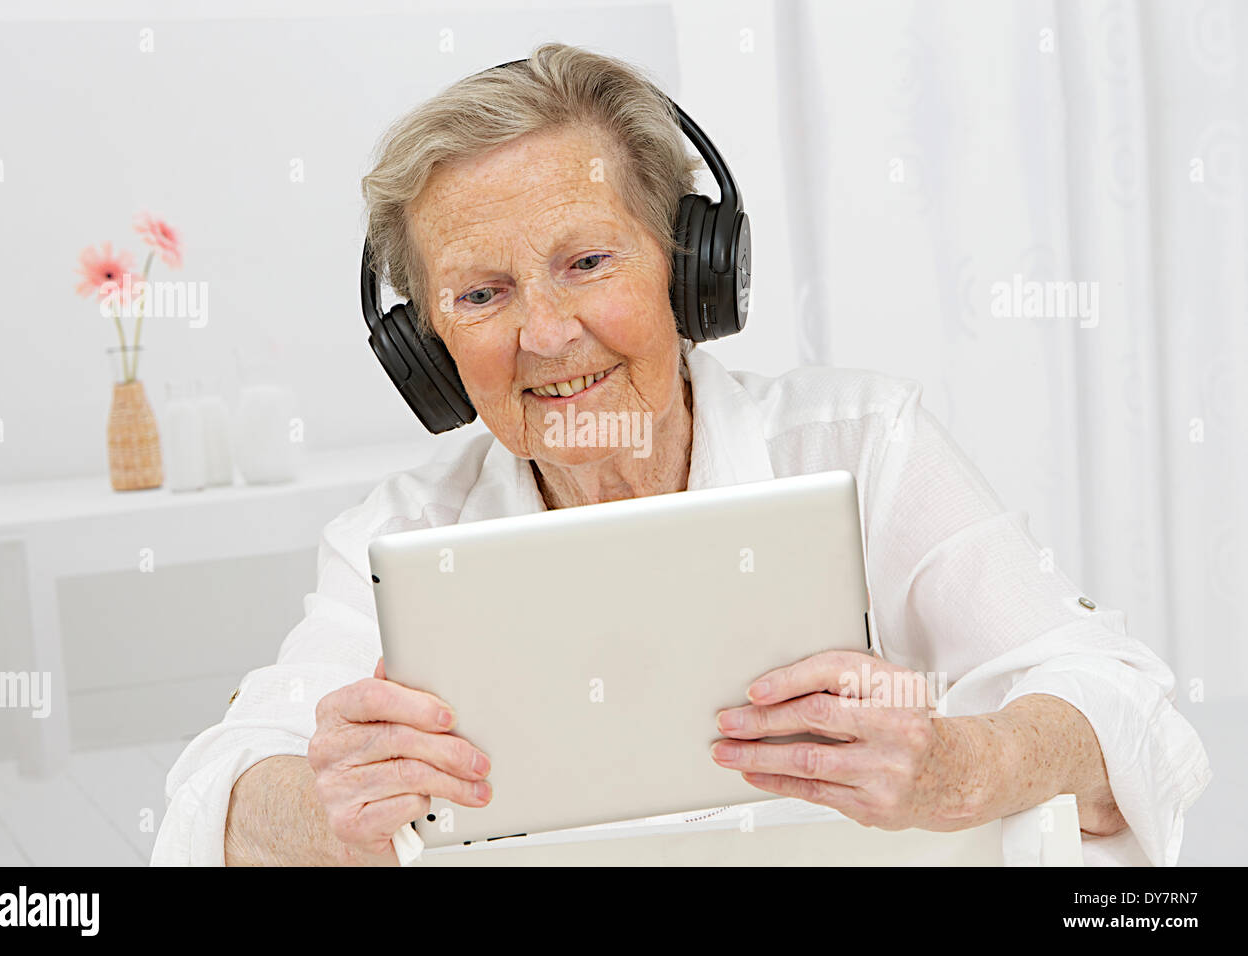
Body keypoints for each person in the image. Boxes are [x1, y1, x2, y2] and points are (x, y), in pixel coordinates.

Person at [152, 43, 1210, 867]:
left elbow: (1130, 716)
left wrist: (970, 764)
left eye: (588, 261)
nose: (548, 333)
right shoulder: (395, 533)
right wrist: (323, 804)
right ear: (426, 346)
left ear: (691, 268)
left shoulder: (862, 441)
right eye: (481, 293)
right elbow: (214, 797)